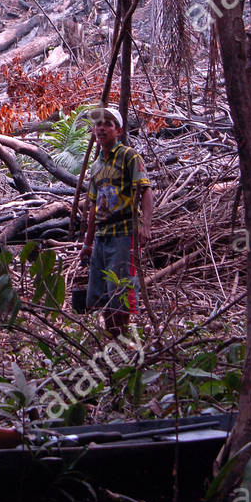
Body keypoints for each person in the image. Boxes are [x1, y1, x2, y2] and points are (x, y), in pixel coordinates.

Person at [78, 105, 152, 334]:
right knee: (104, 294)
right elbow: (93, 207)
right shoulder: (97, 166)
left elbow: (146, 191)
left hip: (123, 233)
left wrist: (145, 225)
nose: (101, 129)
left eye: (107, 124)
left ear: (118, 130)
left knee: (121, 292)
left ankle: (122, 340)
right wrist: (87, 243)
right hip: (102, 237)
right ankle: (112, 340)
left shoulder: (129, 157)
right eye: (98, 124)